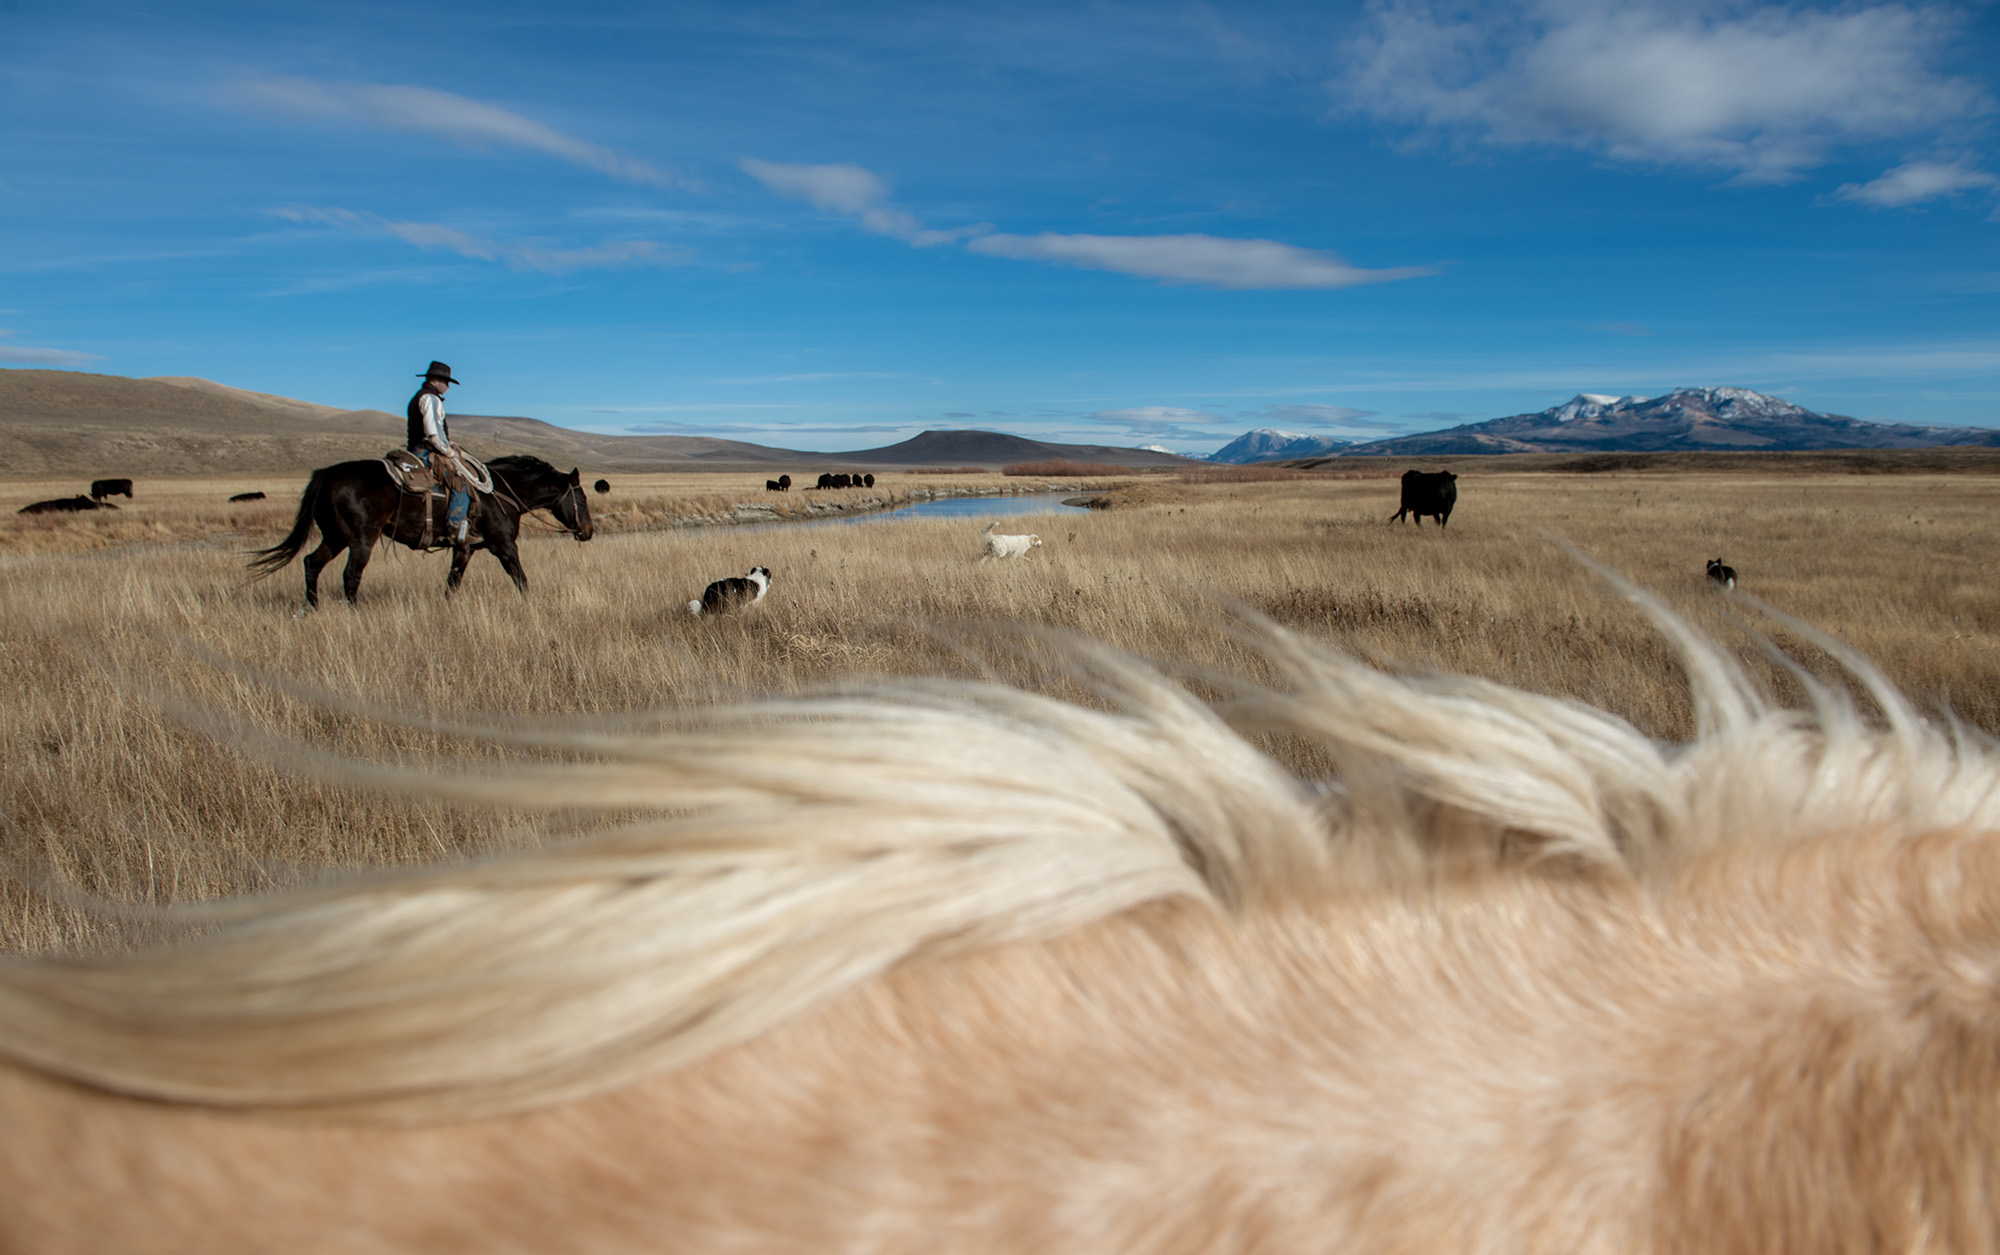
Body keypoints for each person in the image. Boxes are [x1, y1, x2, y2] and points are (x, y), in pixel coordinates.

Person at [407, 360, 472, 543]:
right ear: (436, 380)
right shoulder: (430, 399)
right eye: (446, 382)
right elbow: (433, 434)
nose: (448, 387)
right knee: (461, 480)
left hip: (416, 449)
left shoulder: (419, 396)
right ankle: (455, 525)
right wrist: (450, 453)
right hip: (425, 453)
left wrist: (449, 442)